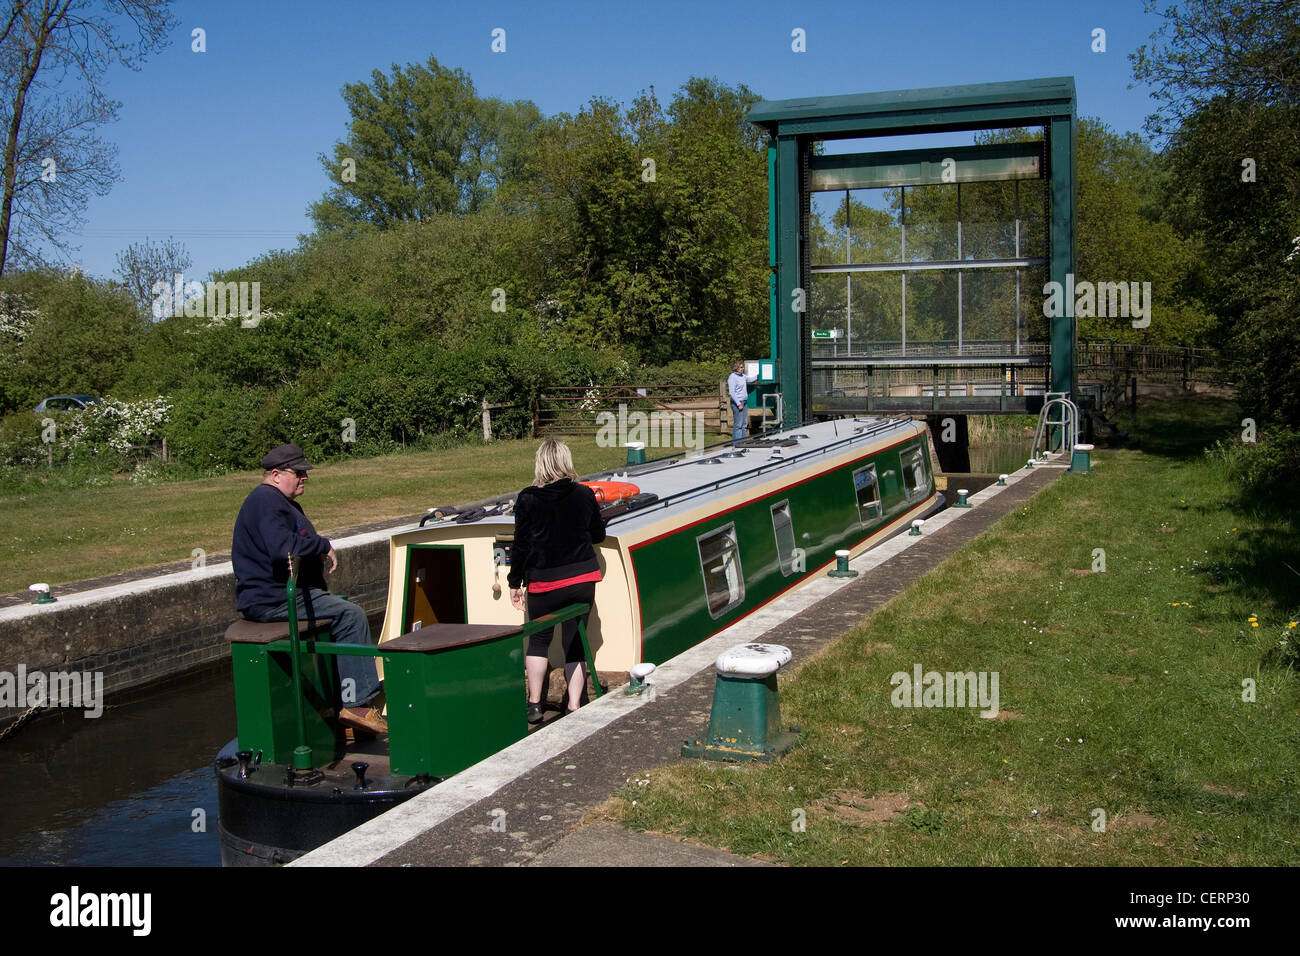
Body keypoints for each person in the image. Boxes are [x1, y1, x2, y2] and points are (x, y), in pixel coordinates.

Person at [231, 443, 387, 736]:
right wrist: (323, 545)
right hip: (272, 599)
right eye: (299, 472)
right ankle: (358, 706)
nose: (305, 477)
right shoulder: (265, 501)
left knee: (339, 607)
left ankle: (341, 705)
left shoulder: (279, 502)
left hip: (277, 595)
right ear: (276, 474)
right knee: (351, 615)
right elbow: (283, 548)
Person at [507, 439, 606, 723]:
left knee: (538, 641)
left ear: (540, 463)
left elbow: (521, 545)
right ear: (566, 461)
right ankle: (574, 705)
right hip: (582, 580)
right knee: (574, 642)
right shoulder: (584, 494)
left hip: (544, 584)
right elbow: (597, 535)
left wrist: (515, 583)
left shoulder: (527, 499)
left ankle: (535, 704)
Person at [727, 359, 757, 443]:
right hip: (738, 403)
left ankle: (743, 442)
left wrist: (759, 375)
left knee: (744, 424)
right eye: (741, 367)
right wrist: (738, 404)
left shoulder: (743, 376)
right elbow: (732, 392)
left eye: (743, 367)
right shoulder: (732, 377)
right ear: (736, 368)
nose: (742, 368)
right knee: (738, 424)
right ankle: (736, 443)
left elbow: (750, 379)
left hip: (744, 402)